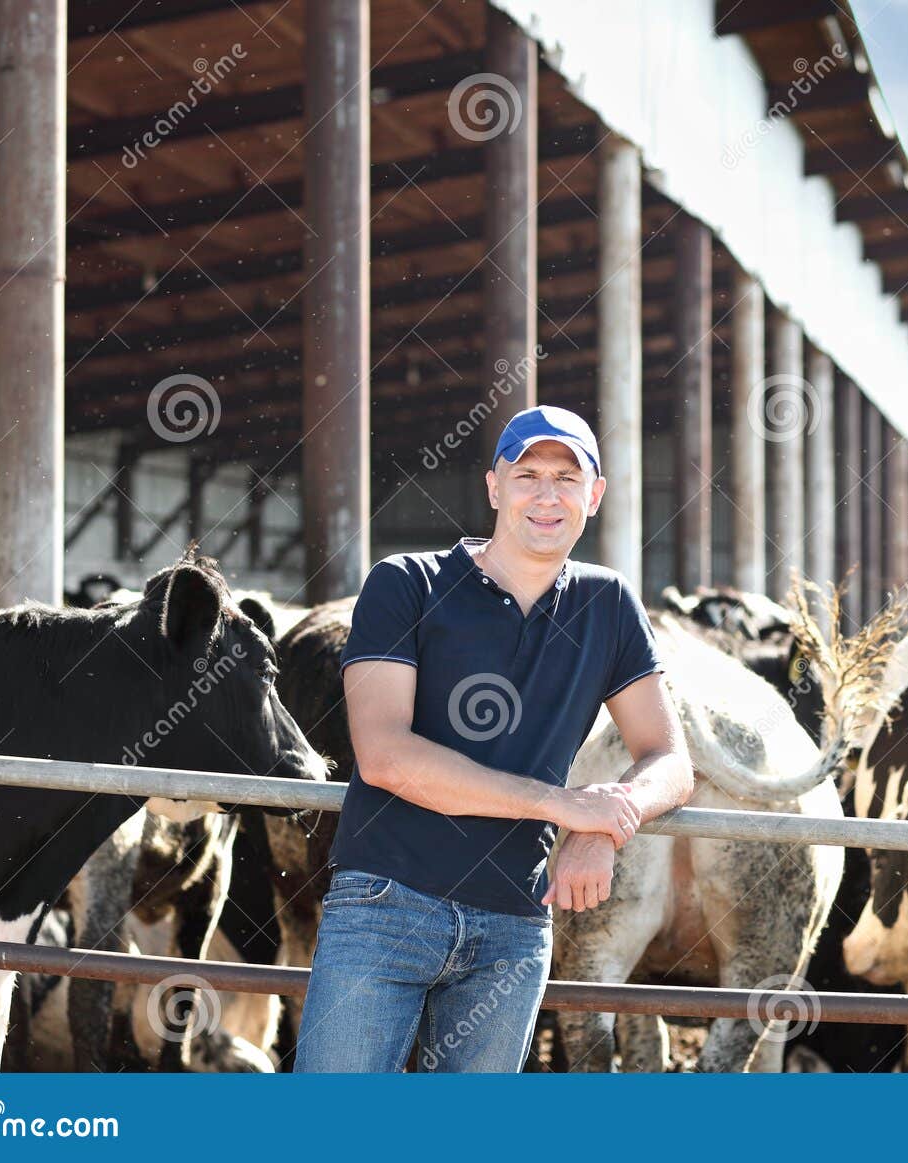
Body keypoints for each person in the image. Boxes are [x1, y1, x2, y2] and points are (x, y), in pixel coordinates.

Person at [293, 404, 693, 1072]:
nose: (546, 494)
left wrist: (605, 824)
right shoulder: (406, 584)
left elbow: (670, 759)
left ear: (594, 496)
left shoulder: (608, 606)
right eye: (527, 473)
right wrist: (560, 805)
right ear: (494, 487)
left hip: (513, 924)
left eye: (567, 478)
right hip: (386, 904)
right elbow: (386, 756)